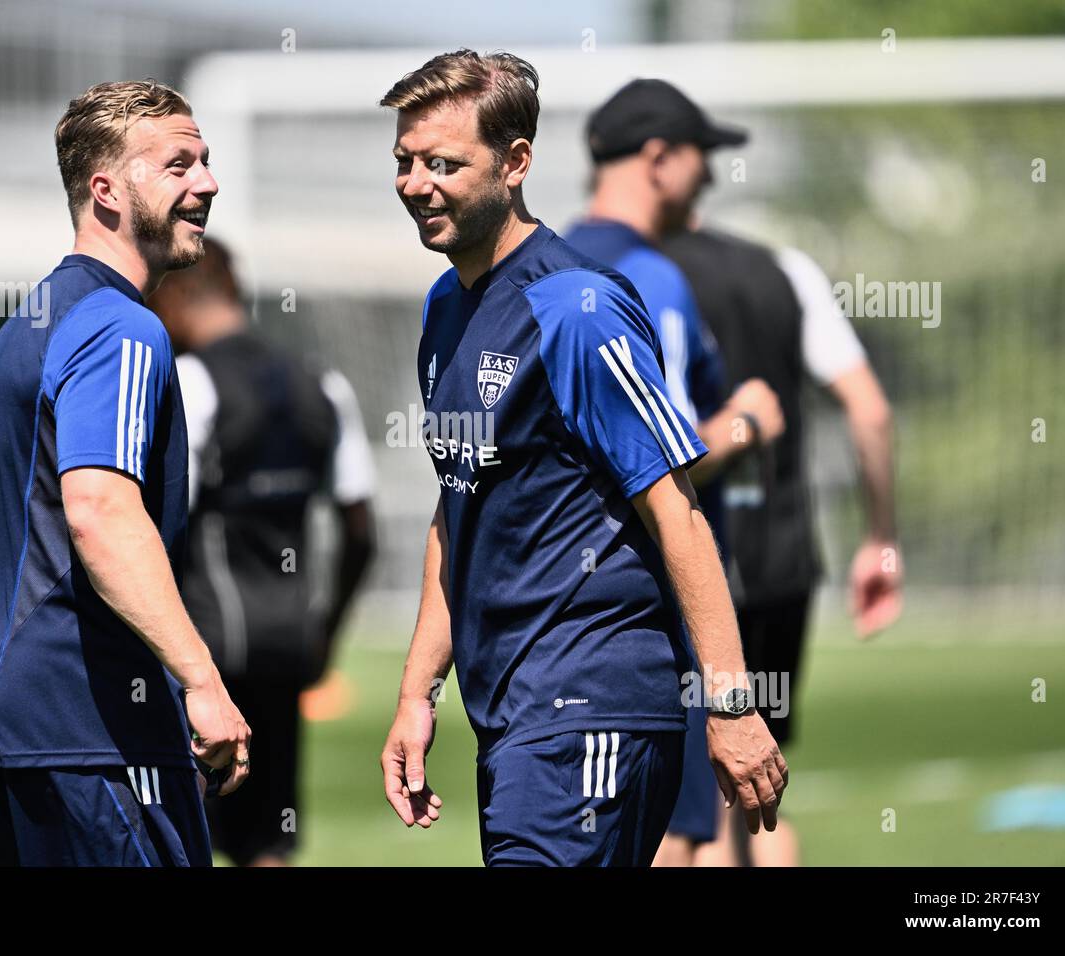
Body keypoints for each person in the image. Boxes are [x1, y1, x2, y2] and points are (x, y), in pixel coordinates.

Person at [376, 49, 786, 867]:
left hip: (592, 702)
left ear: (515, 162)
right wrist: (418, 693)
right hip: (515, 717)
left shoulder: (577, 307)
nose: (416, 183)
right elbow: (457, 504)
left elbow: (675, 508)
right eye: (405, 162)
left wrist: (733, 705)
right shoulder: (444, 305)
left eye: (443, 163)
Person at [0, 80, 250, 867]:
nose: (207, 184)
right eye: (179, 165)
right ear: (106, 190)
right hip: (89, 725)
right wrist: (202, 680)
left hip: (24, 726)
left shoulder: (36, 320)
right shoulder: (120, 327)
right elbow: (99, 510)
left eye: (206, 162)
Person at [609, 79, 898, 866]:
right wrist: (882, 540)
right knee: (760, 790)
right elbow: (869, 410)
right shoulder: (785, 270)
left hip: (675, 564)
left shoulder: (610, 280)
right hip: (777, 564)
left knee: (675, 810)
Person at [563, 81, 786, 865]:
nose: (710, 179)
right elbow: (663, 452)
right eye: (701, 157)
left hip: (555, 621)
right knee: (673, 843)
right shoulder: (647, 280)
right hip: (654, 615)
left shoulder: (543, 265)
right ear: (659, 158)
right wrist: (749, 421)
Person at [148, 236, 377, 866]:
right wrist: (324, 632)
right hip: (288, 644)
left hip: (204, 651)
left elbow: (159, 530)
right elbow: (361, 531)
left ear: (182, 289)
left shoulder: (189, 381)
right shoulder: (321, 383)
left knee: (180, 827)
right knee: (267, 842)